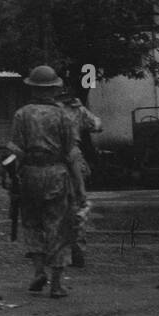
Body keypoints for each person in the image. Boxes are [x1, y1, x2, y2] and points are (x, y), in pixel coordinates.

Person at [6, 66, 78, 298]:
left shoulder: (21, 114)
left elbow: (15, 150)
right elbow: (71, 153)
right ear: (55, 88)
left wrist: (12, 180)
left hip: (29, 174)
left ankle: (38, 271)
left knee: (32, 222)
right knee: (58, 225)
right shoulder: (64, 116)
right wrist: (80, 187)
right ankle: (57, 284)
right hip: (57, 173)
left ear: (32, 88)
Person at [59, 91, 102, 268]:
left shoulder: (42, 109)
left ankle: (50, 250)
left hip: (48, 161)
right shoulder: (77, 110)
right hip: (73, 157)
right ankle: (77, 248)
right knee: (77, 204)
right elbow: (97, 125)